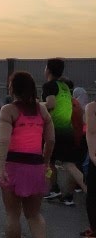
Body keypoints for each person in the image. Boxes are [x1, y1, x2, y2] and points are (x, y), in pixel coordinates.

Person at [0, 71, 57, 238]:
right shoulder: (42, 111)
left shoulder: (8, 110)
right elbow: (51, 140)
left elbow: (3, 140)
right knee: (34, 214)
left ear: (12, 88)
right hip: (36, 166)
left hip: (14, 165)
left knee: (13, 214)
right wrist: (45, 161)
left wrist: (0, 166)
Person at [42, 59, 86, 203]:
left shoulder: (49, 85)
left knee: (48, 160)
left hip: (54, 129)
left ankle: (53, 188)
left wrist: (35, 103)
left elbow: (50, 104)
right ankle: (83, 190)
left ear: (48, 69)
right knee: (69, 164)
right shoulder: (65, 87)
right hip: (68, 130)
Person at [83, 96, 96, 238]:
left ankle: (94, 229)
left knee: (93, 194)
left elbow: (92, 132)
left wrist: (93, 155)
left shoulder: (92, 108)